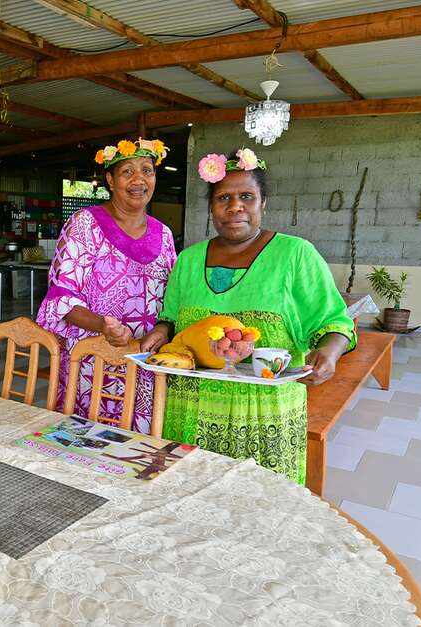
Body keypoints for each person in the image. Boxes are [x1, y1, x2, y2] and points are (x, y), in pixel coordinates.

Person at [143, 148, 355, 484]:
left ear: (263, 203)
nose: (235, 206)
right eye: (223, 197)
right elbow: (170, 317)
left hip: (265, 416)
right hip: (189, 410)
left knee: (259, 507)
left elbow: (335, 321)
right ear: (211, 206)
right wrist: (161, 330)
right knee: (187, 500)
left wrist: (329, 352)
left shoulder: (295, 255)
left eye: (247, 196)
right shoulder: (188, 259)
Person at [36, 138, 177, 434]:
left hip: (144, 361)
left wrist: (163, 328)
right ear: (110, 180)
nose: (139, 180)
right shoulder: (84, 224)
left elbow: (172, 298)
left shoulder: (163, 234)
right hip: (92, 361)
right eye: (128, 172)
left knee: (138, 449)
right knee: (86, 443)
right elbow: (61, 296)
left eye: (147, 171)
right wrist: (103, 325)